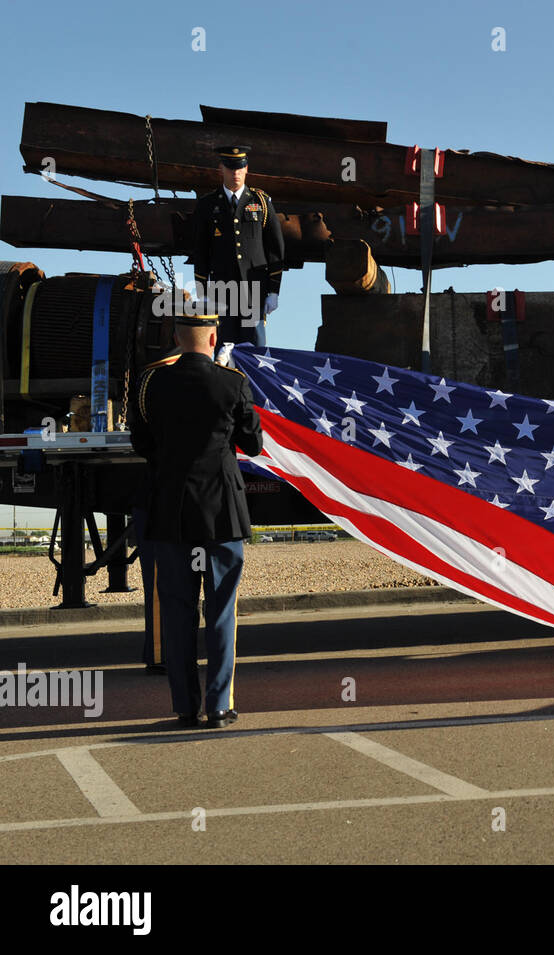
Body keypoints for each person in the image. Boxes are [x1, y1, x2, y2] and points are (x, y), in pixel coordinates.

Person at [128, 313, 263, 727]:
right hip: (221, 516)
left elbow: (141, 443)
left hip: (171, 514)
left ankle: (185, 706)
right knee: (221, 611)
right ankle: (219, 705)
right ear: (213, 337)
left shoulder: (150, 384)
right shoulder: (233, 383)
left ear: (175, 338)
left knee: (177, 610)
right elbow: (253, 445)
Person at [191, 145, 285, 348]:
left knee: (254, 350)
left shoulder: (260, 202)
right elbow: (201, 251)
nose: (236, 173)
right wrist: (202, 293)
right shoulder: (207, 205)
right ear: (221, 169)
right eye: (231, 169)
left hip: (253, 290)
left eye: (240, 168)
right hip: (221, 291)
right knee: (224, 349)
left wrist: (274, 291)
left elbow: (274, 249)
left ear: (246, 169)